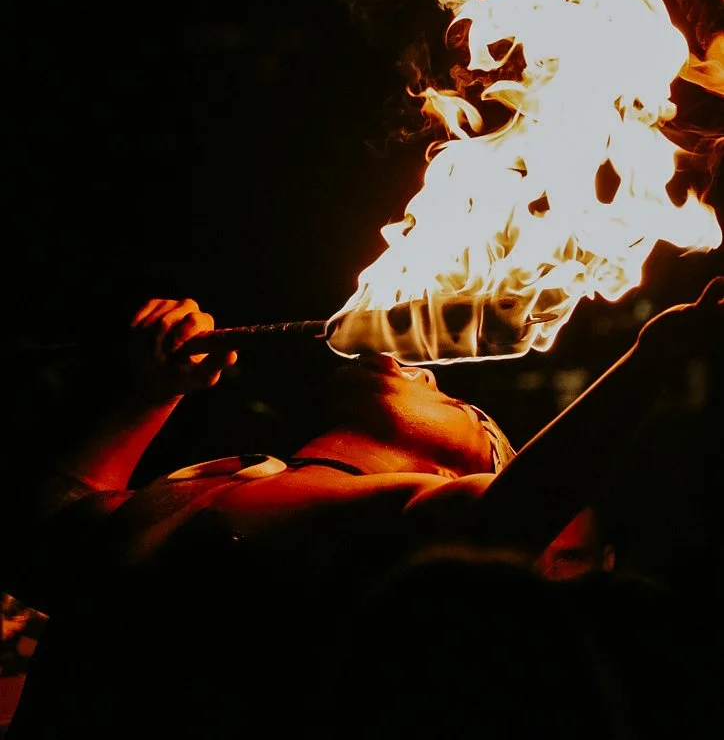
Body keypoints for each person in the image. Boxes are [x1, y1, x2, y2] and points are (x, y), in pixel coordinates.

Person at [2, 279, 722, 739]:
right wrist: (150, 392)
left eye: (450, 400)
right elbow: (49, 536)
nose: (429, 373)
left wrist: (652, 360)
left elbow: (512, 512)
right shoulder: (227, 476)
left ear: (451, 470)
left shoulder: (387, 521)